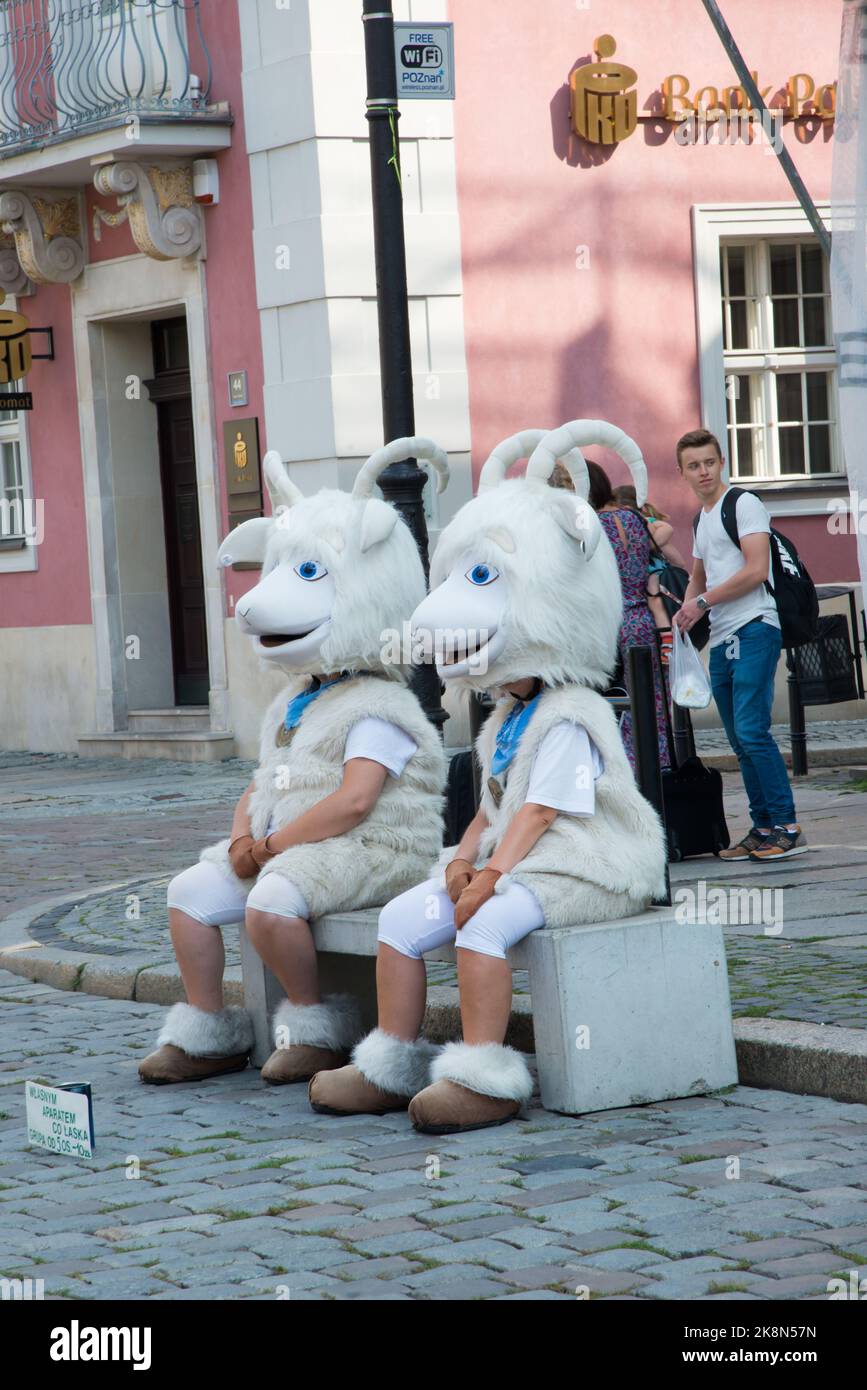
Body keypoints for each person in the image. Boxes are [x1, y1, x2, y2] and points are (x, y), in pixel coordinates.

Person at [308, 421, 667, 1134]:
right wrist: (464, 858)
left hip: (581, 863)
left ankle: (485, 1071)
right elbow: (492, 806)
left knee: (482, 930)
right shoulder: (507, 712)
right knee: (403, 920)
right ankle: (393, 1060)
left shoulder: (568, 714)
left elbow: (537, 815)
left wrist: (488, 879)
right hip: (514, 858)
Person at [137, 440, 448, 1086]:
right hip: (292, 845)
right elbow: (261, 782)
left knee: (272, 902)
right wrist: (242, 838)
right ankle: (208, 1026)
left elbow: (357, 801)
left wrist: (272, 846)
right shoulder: (293, 702)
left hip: (370, 848)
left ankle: (313, 1025)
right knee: (190, 893)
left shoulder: (381, 705)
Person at [674, 428, 806, 861]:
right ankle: (762, 826)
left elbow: (755, 569)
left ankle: (786, 825)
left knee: (752, 731)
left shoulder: (743, 504)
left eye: (709, 462)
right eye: (694, 466)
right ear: (683, 473)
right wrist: (687, 606)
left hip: (755, 626)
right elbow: (698, 571)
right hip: (725, 633)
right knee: (738, 738)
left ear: (721, 462)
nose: (703, 471)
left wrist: (703, 601)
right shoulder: (702, 518)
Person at [589, 463, 671, 770]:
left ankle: (628, 767)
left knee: (614, 701)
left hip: (609, 621)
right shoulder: (633, 516)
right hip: (644, 617)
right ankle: (658, 765)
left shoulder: (591, 525)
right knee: (653, 700)